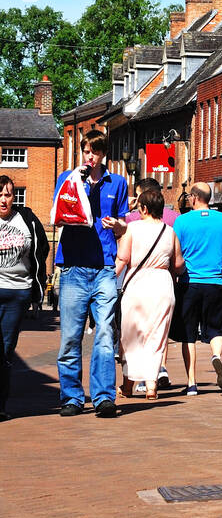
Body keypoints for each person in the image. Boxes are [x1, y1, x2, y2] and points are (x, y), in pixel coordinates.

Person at [54, 131, 128, 418]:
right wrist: (78, 182)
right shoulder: (67, 179)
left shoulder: (118, 183)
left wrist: (117, 226)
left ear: (103, 154)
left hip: (104, 268)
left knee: (105, 334)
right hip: (73, 266)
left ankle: (103, 397)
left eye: (95, 152)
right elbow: (58, 215)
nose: (90, 156)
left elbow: (124, 225)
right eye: (87, 151)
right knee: (71, 336)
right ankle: (71, 397)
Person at [114, 183, 184, 401]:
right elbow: (179, 264)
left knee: (132, 336)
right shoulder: (170, 231)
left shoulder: (133, 229)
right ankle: (152, 386)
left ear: (143, 209)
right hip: (163, 284)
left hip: (138, 283)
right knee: (157, 336)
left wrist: (108, 279)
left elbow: (123, 258)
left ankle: (128, 385)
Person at [170, 182, 222, 395]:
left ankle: (191, 382)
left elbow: (175, 255)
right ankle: (216, 356)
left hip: (190, 282)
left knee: (188, 333)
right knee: (216, 328)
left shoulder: (181, 222)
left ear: (194, 197)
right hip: (216, 282)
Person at [0, 175, 49, 421]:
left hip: (17, 293)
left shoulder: (26, 219)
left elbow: (42, 250)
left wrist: (35, 289)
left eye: (8, 194)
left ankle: (0, 404)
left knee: (7, 350)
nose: (3, 200)